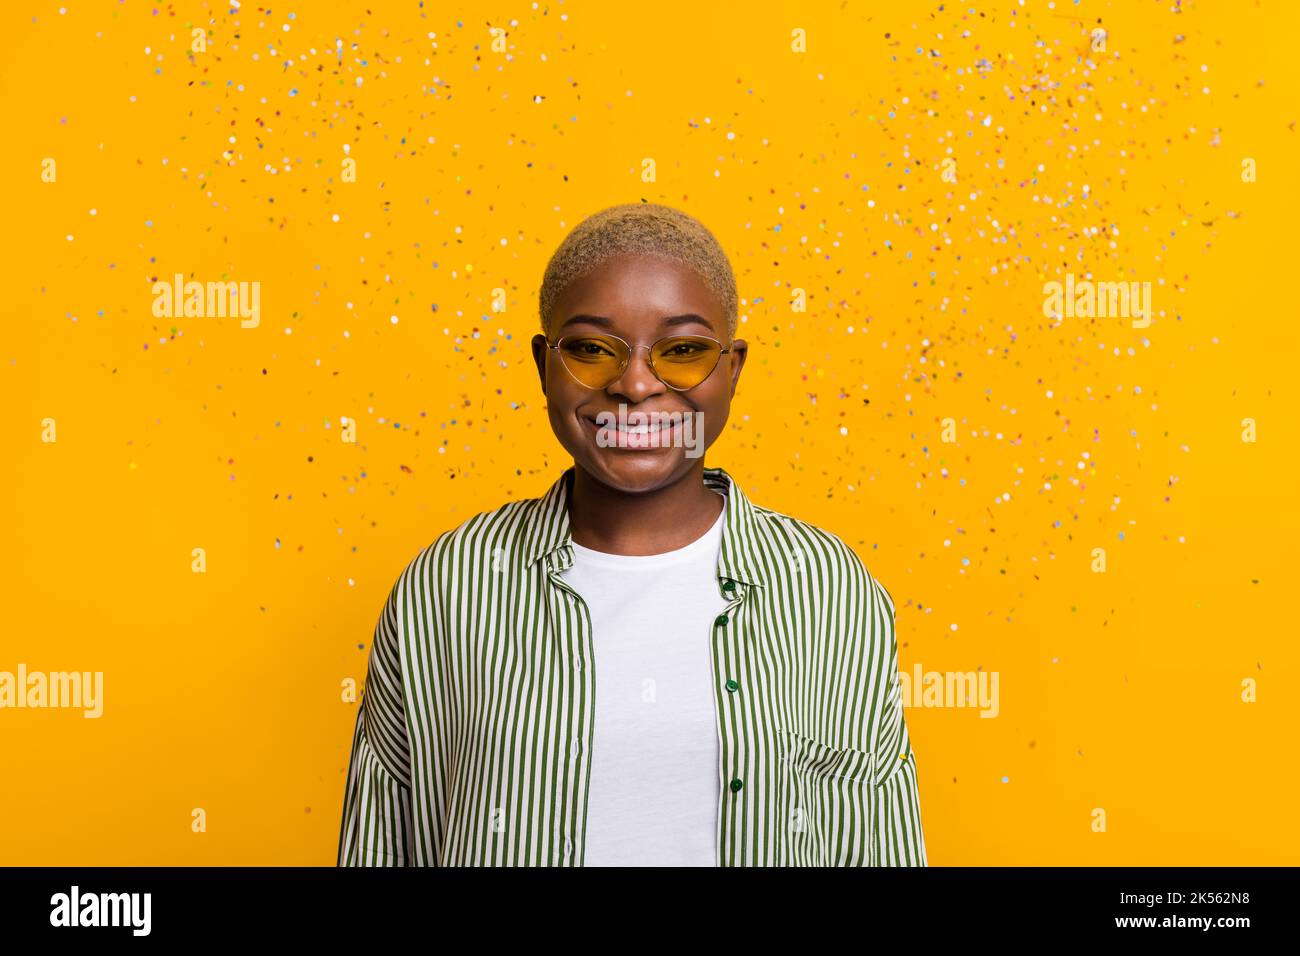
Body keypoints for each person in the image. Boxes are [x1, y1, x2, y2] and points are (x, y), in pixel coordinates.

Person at [337, 202, 927, 866]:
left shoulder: (827, 589)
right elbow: (381, 840)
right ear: (543, 365)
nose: (636, 385)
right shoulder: (448, 587)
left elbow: (880, 838)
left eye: (682, 351)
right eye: (591, 349)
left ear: (732, 368)